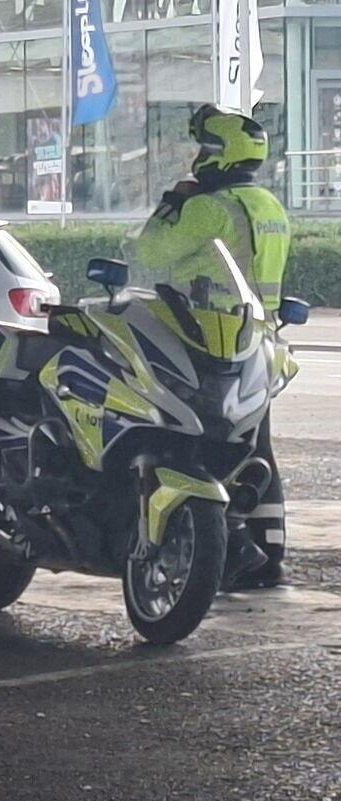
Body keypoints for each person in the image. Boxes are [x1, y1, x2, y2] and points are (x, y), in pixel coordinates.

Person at [134, 104, 292, 589]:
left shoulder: (209, 206)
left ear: (221, 155)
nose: (198, 157)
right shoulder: (268, 204)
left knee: (192, 439)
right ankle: (268, 552)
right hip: (258, 339)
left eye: (205, 148)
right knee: (252, 445)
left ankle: (229, 547)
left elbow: (149, 252)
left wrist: (170, 203)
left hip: (204, 335)